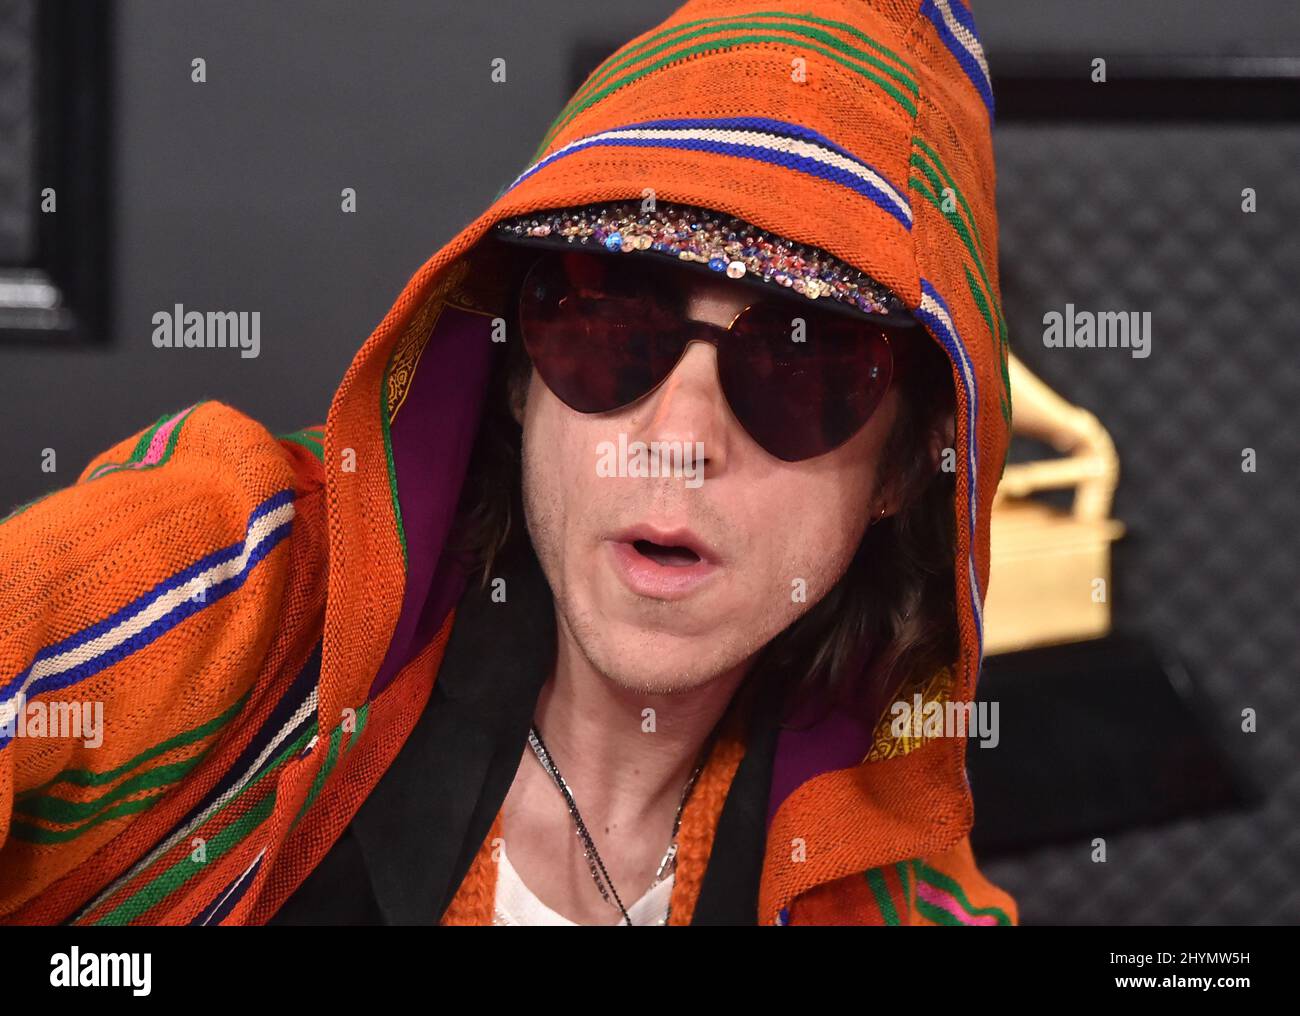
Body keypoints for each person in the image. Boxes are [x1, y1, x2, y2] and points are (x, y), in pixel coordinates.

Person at [0, 0, 1016, 926]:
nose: (680, 435)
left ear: (902, 469)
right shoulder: (245, 591)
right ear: (520, 372)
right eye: (607, 320)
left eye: (802, 366)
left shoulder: (889, 896)